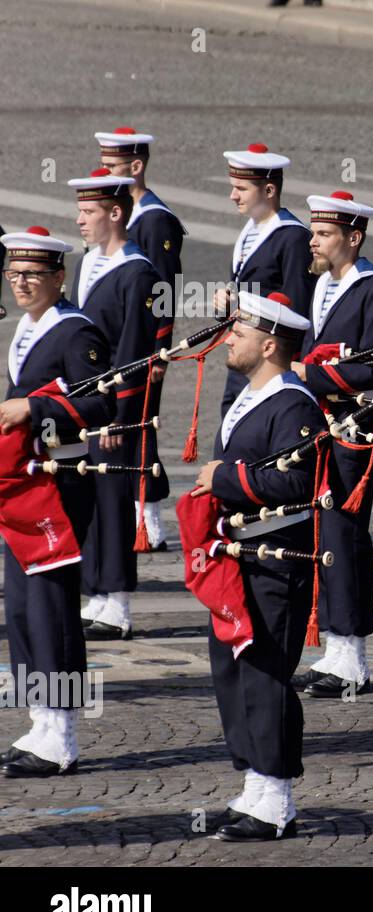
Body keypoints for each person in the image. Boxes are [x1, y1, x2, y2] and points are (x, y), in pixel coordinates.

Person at [193, 290, 327, 840]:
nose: (229, 337)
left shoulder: (294, 403)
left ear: (270, 343)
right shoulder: (254, 394)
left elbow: (299, 485)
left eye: (239, 332)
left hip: (273, 562)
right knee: (232, 671)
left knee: (265, 674)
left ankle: (276, 799)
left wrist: (222, 478)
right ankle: (254, 782)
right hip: (236, 557)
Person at [0, 227, 114, 778]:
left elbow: (99, 401)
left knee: (53, 610)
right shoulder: (25, 326)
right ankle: (39, 718)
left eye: (33, 276)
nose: (22, 284)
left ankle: (63, 732)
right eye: (14, 274)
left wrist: (35, 408)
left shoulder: (77, 332)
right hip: (22, 486)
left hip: (59, 484)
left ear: (59, 278)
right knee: (23, 608)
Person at [287, 192, 373, 697]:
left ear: (353, 238)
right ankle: (333, 646)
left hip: (353, 426)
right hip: (319, 423)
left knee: (345, 536)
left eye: (324, 234)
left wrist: (310, 374)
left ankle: (352, 655)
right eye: (314, 232)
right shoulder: (321, 285)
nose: (313, 241)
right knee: (322, 532)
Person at [67, 169, 162, 642]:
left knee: (113, 501)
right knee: (89, 500)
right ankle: (95, 595)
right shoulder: (87, 263)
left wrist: (121, 416)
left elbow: (134, 349)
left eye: (89, 212)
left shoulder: (138, 271)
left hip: (111, 411)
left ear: (116, 213)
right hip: (82, 405)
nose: (81, 220)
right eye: (81, 212)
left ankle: (117, 604)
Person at [94, 126, 182, 551]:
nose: (105, 173)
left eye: (112, 167)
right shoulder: (123, 214)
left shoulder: (155, 219)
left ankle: (147, 517)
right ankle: (140, 513)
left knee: (137, 428)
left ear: (136, 166)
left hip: (145, 346)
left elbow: (163, 289)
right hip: (122, 344)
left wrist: (160, 350)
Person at [211, 143, 313, 416]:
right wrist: (227, 305)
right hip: (244, 352)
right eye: (233, 186)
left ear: (269, 190)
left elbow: (297, 308)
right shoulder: (251, 230)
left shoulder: (292, 237)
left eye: (242, 188)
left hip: (268, 360)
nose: (233, 195)